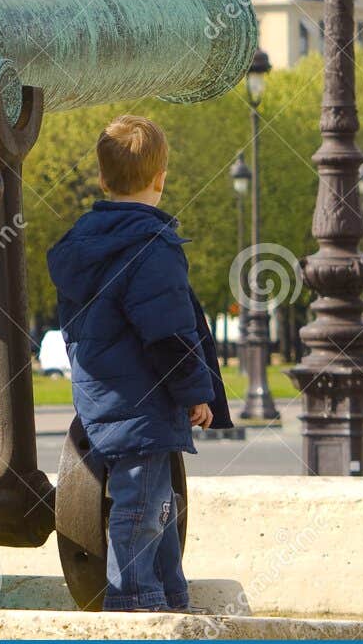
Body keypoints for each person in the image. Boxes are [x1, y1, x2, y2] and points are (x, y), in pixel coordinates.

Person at [46, 115, 233, 613]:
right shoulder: (151, 248)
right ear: (161, 178)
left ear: (103, 180)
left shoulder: (85, 245)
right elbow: (170, 333)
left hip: (102, 394)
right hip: (145, 402)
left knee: (159, 504)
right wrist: (196, 391)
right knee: (142, 506)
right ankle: (132, 601)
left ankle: (169, 594)